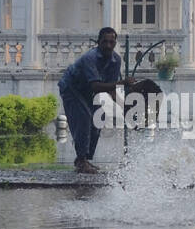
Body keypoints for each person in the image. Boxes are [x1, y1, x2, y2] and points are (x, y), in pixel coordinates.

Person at [58, 27, 143, 173]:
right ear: (98, 42)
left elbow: (110, 88)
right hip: (71, 87)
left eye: (111, 42)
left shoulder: (115, 60)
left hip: (87, 90)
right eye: (105, 42)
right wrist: (123, 83)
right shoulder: (89, 58)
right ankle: (82, 160)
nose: (108, 45)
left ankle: (84, 159)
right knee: (84, 117)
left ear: (115, 42)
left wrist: (124, 106)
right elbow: (96, 86)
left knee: (99, 116)